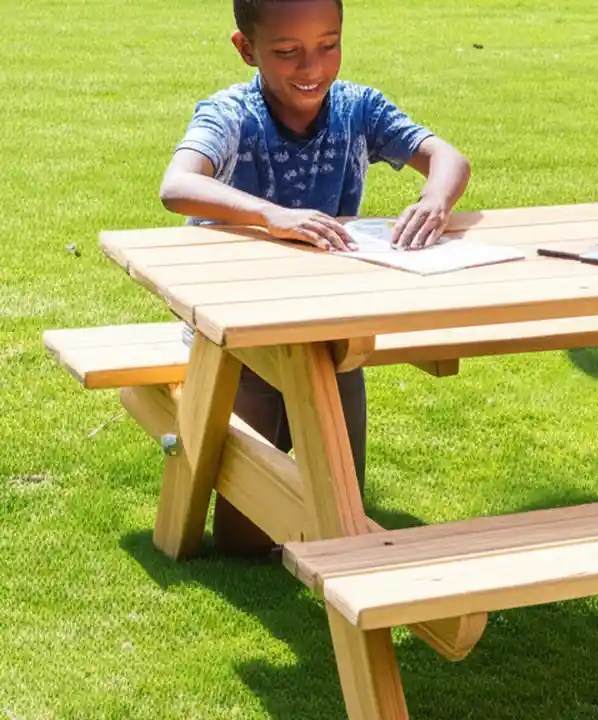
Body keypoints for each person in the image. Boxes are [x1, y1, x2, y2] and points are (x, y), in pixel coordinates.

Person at [158, 0, 472, 555]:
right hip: (234, 331)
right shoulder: (232, 114)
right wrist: (271, 215)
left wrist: (436, 198)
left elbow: (448, 157)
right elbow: (177, 185)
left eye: (328, 45)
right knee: (247, 541)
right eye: (287, 52)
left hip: (324, 327)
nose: (312, 67)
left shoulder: (356, 108)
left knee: (340, 508)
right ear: (246, 49)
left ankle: (335, 548)